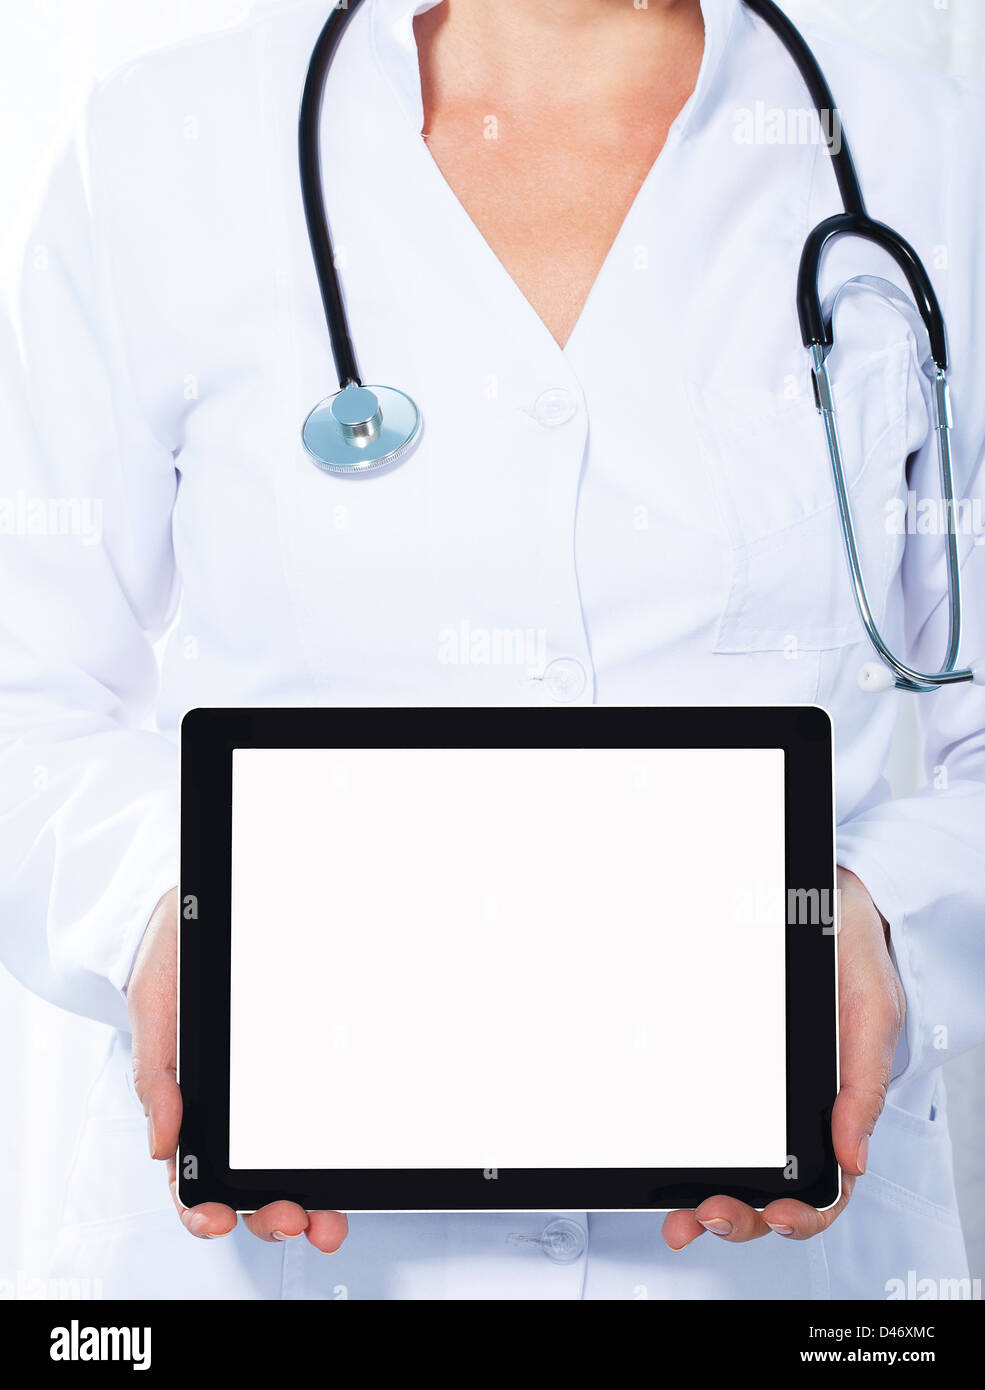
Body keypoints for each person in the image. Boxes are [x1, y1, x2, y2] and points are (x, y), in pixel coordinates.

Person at [1, 0, 982, 1300]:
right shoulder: (157, 146)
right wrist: (161, 906)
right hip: (267, 1252)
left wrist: (886, 916)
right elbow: (24, 696)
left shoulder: (932, 160)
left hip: (780, 1257)